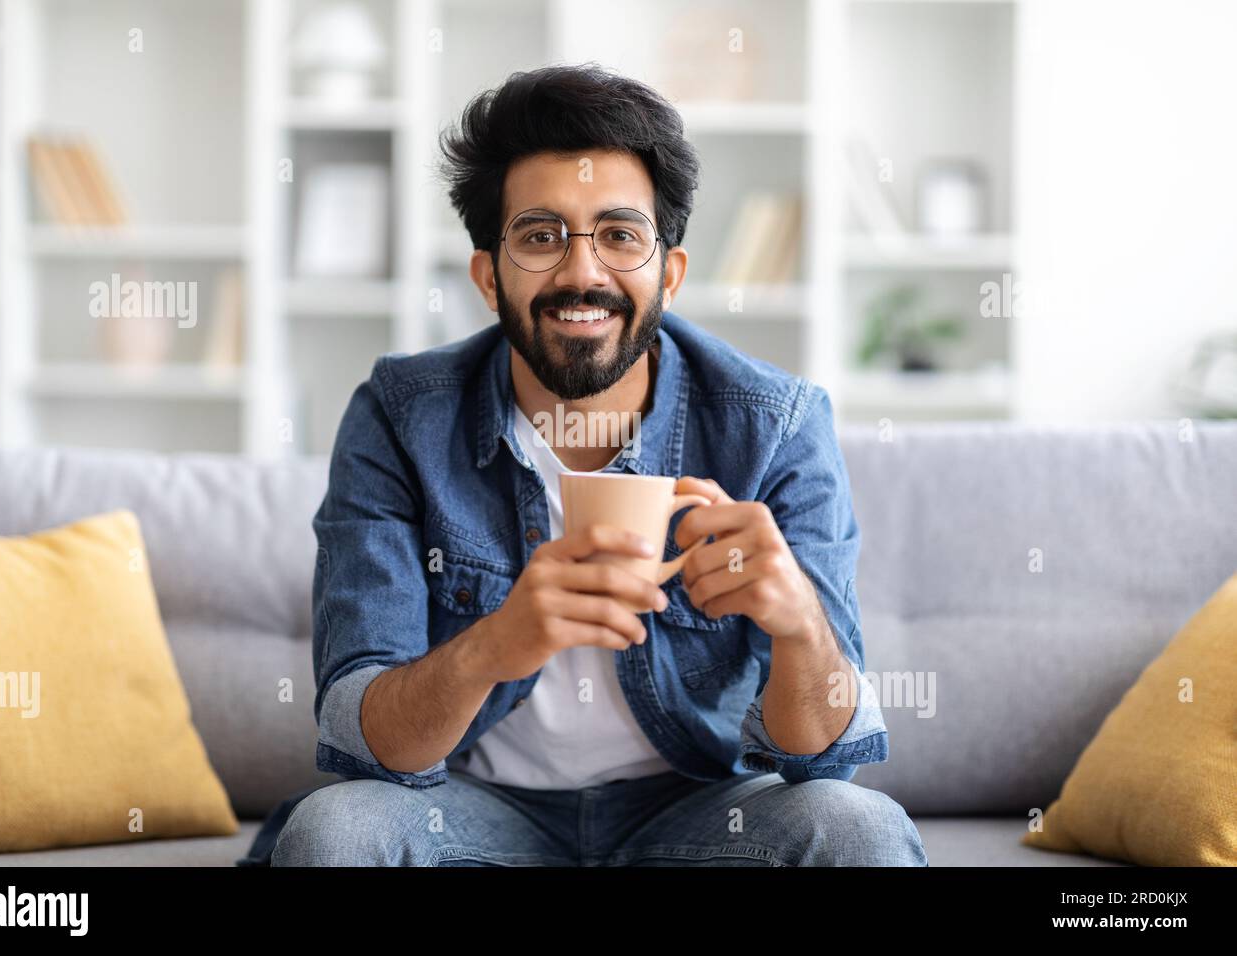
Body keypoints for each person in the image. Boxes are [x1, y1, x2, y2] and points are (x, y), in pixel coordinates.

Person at [271, 63, 927, 867]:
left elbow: (824, 759)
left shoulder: (778, 424)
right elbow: (367, 743)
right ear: (488, 277)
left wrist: (797, 626)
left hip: (700, 811)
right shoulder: (400, 416)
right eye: (541, 237)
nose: (583, 274)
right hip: (471, 813)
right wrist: (494, 645)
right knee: (334, 831)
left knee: (860, 829)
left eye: (619, 235)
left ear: (669, 274)